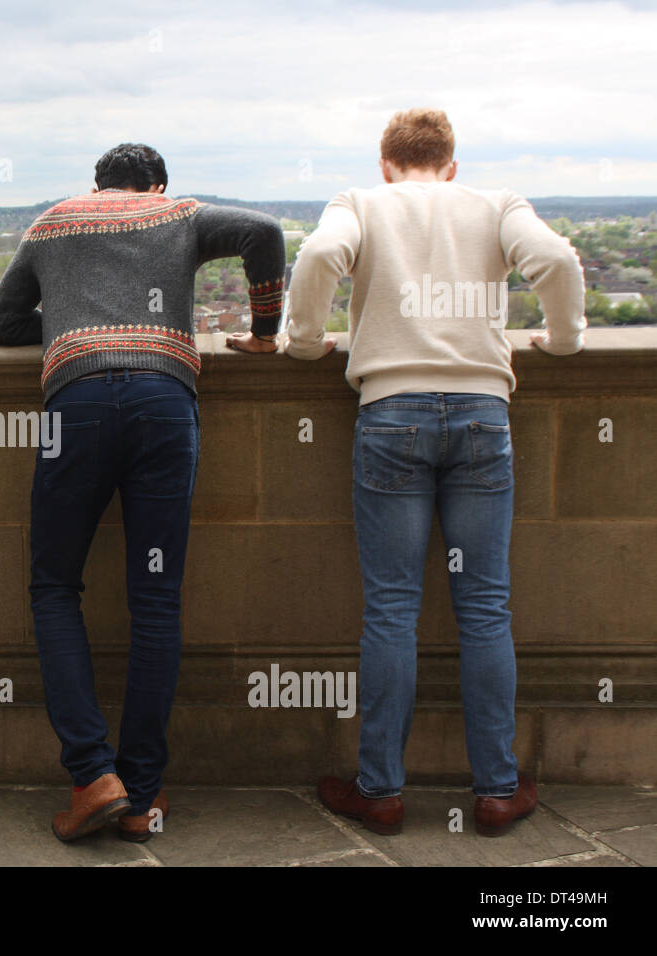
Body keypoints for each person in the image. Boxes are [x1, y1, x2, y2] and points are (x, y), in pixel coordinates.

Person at [284, 108, 585, 836]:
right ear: (450, 164)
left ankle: (382, 791)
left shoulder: (360, 203)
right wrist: (566, 340)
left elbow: (320, 256)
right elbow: (561, 263)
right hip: (483, 412)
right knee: (485, 607)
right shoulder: (494, 204)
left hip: (392, 412)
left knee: (391, 608)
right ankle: (496, 790)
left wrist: (302, 342)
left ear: (386, 162)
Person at [0, 143, 286, 842]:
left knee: (54, 586)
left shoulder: (54, 223)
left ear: (95, 185)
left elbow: (1, 326)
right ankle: (142, 794)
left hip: (76, 405)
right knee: (156, 597)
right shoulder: (175, 212)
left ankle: (93, 776)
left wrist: (70, 327)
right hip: (163, 402)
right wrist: (264, 331)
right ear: (156, 184)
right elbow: (265, 235)